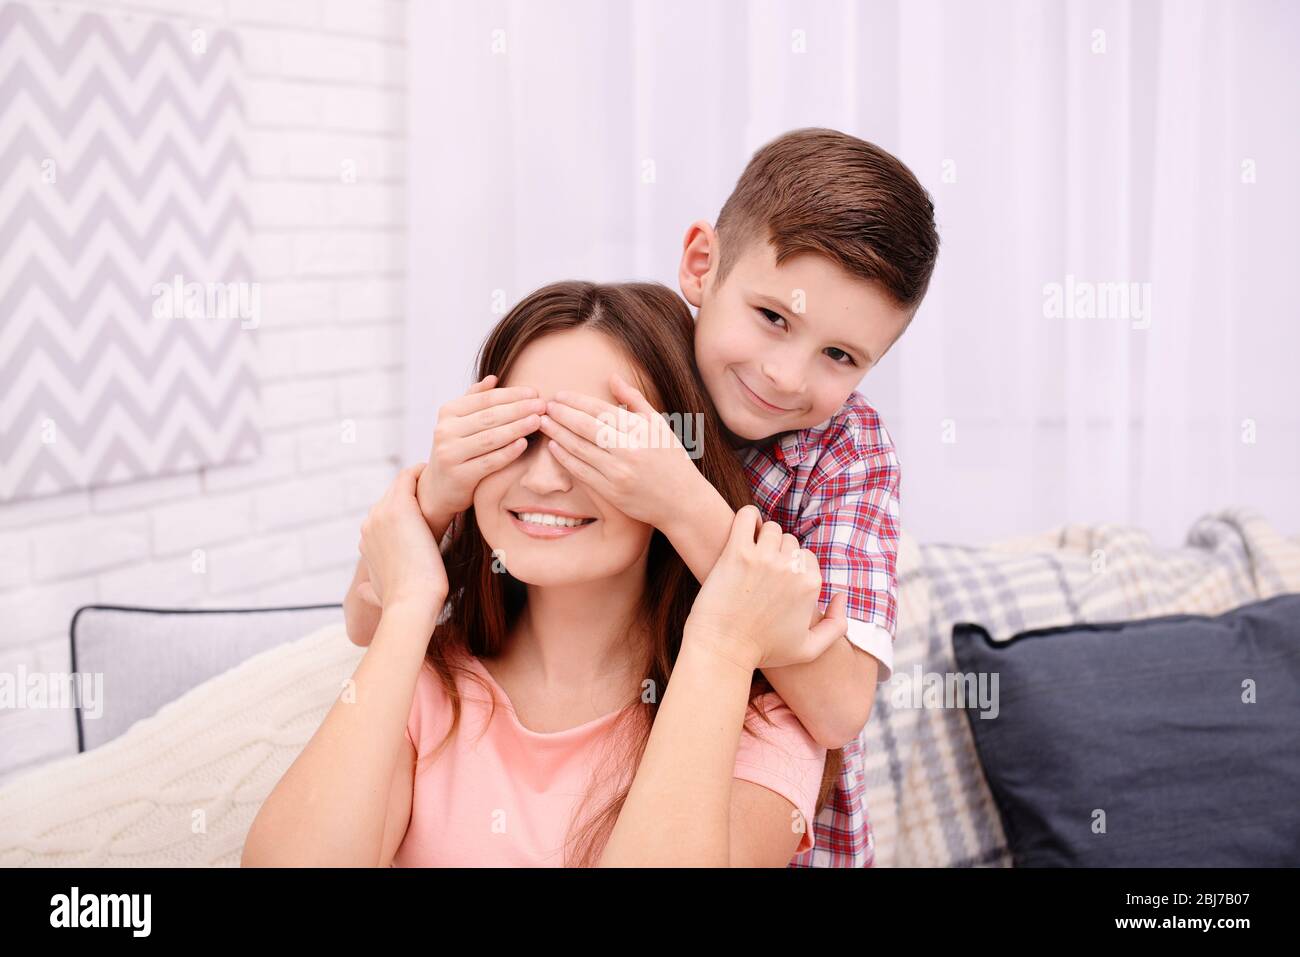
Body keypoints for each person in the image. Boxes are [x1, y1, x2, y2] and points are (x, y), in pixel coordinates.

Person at [241, 281, 848, 866]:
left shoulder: (759, 728)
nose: (544, 479)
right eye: (519, 434)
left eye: (595, 443)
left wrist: (721, 641)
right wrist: (408, 603)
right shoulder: (425, 688)